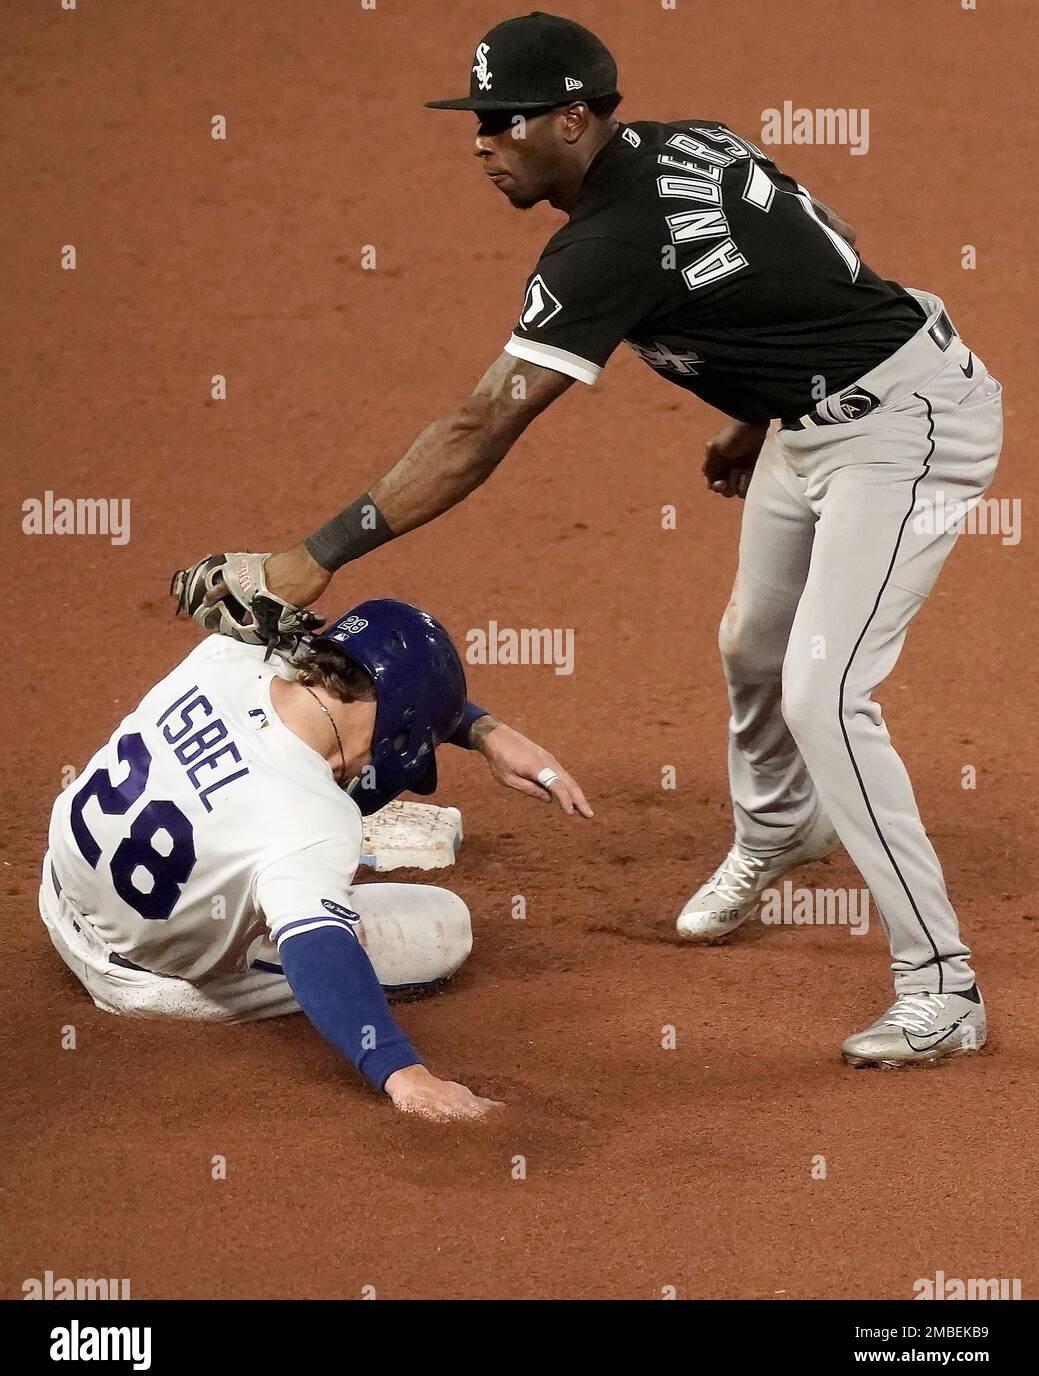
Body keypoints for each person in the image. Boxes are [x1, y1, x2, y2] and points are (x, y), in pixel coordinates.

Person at [172, 14, 1002, 1066]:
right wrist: (753, 411)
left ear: (571, 119)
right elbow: (793, 262)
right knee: (751, 644)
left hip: (905, 428)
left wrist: (313, 556)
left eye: (501, 122)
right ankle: (780, 828)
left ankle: (943, 986)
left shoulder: (604, 244)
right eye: (475, 121)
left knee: (822, 693)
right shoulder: (681, 140)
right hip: (815, 414)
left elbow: (480, 428)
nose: (481, 141)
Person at [40, 598, 591, 1121]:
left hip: (63, 888)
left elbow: (366, 676)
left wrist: (481, 730)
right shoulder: (314, 821)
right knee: (443, 926)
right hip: (139, 976)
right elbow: (316, 950)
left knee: (256, 861)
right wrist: (402, 1073)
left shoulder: (227, 655)